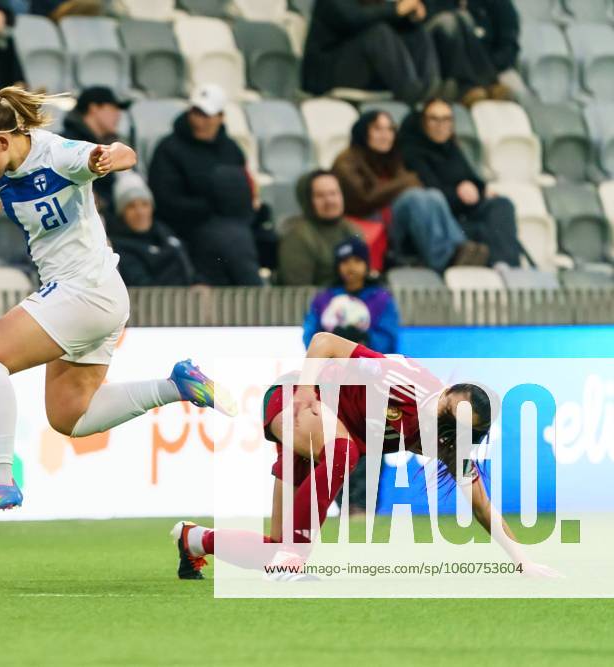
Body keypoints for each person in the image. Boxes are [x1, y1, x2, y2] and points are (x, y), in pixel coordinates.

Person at [0, 86, 238, 519]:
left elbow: (121, 152)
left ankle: (0, 480)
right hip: (96, 295)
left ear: (2, 141)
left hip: (84, 290)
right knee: (69, 417)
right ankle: (177, 385)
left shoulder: (58, 155)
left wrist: (108, 159)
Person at [170, 332, 560, 580]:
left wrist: (522, 561)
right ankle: (295, 555)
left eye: (447, 419)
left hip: (324, 436)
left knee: (273, 548)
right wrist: (306, 389)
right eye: (443, 402)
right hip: (297, 400)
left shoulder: (447, 445)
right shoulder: (402, 379)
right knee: (345, 452)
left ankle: (194, 540)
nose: (436, 407)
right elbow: (324, 341)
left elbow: (482, 507)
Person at [332, 111, 489, 272]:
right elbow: (365, 198)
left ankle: (461, 247)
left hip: (392, 220)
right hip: (369, 223)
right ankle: (442, 259)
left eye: (390, 130)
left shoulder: (392, 157)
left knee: (433, 195)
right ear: (363, 132)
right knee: (415, 198)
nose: (385, 135)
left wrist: (406, 183)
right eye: (377, 129)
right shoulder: (346, 161)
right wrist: (406, 182)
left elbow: (413, 183)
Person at [148, 84, 263, 286]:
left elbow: (244, 189)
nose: (200, 120)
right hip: (189, 227)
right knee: (234, 243)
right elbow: (165, 199)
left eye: (207, 114)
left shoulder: (231, 148)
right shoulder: (169, 149)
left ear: (220, 117)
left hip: (233, 224)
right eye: (196, 112)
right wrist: (210, 207)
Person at [399, 99, 520, 267]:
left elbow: (474, 181)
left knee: (501, 205)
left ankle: (505, 265)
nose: (441, 125)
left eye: (447, 119)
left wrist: (477, 191)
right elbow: (431, 194)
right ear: (423, 122)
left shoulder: (452, 148)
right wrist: (459, 194)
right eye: (434, 119)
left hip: (463, 215)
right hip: (441, 224)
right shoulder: (411, 152)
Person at [302, 0, 440, 104]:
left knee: (416, 32)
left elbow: (387, 20)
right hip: (326, 76)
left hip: (362, 71)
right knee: (378, 33)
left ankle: (427, 91)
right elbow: (353, 18)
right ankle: (412, 96)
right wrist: (397, 9)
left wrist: (411, 17)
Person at [303, 237, 400, 353]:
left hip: (369, 364)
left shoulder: (381, 299)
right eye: (345, 262)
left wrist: (364, 338)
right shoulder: (323, 299)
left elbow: (389, 339)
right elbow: (309, 336)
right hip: (332, 365)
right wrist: (331, 339)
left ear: (367, 264)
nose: (351, 267)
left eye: (357, 261)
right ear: (337, 266)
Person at [108, 171, 196, 287]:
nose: (140, 212)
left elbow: (189, 270)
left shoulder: (167, 234)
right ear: (122, 213)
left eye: (144, 204)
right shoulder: (117, 246)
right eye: (131, 206)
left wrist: (199, 282)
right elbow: (142, 285)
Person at [276, 170, 363, 286]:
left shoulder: (353, 229)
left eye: (334, 193)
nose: (329, 201)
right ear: (307, 201)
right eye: (320, 195)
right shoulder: (297, 237)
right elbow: (298, 292)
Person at [422, 0, 516, 105]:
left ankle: (480, 84)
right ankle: (475, 87)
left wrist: (493, 66)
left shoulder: (498, 4)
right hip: (440, 61)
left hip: (492, 66)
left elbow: (509, 46)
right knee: (455, 20)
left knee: (519, 90)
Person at [63, 87, 131, 224]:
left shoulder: (107, 143)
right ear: (94, 108)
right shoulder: (68, 143)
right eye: (113, 108)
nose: (118, 115)